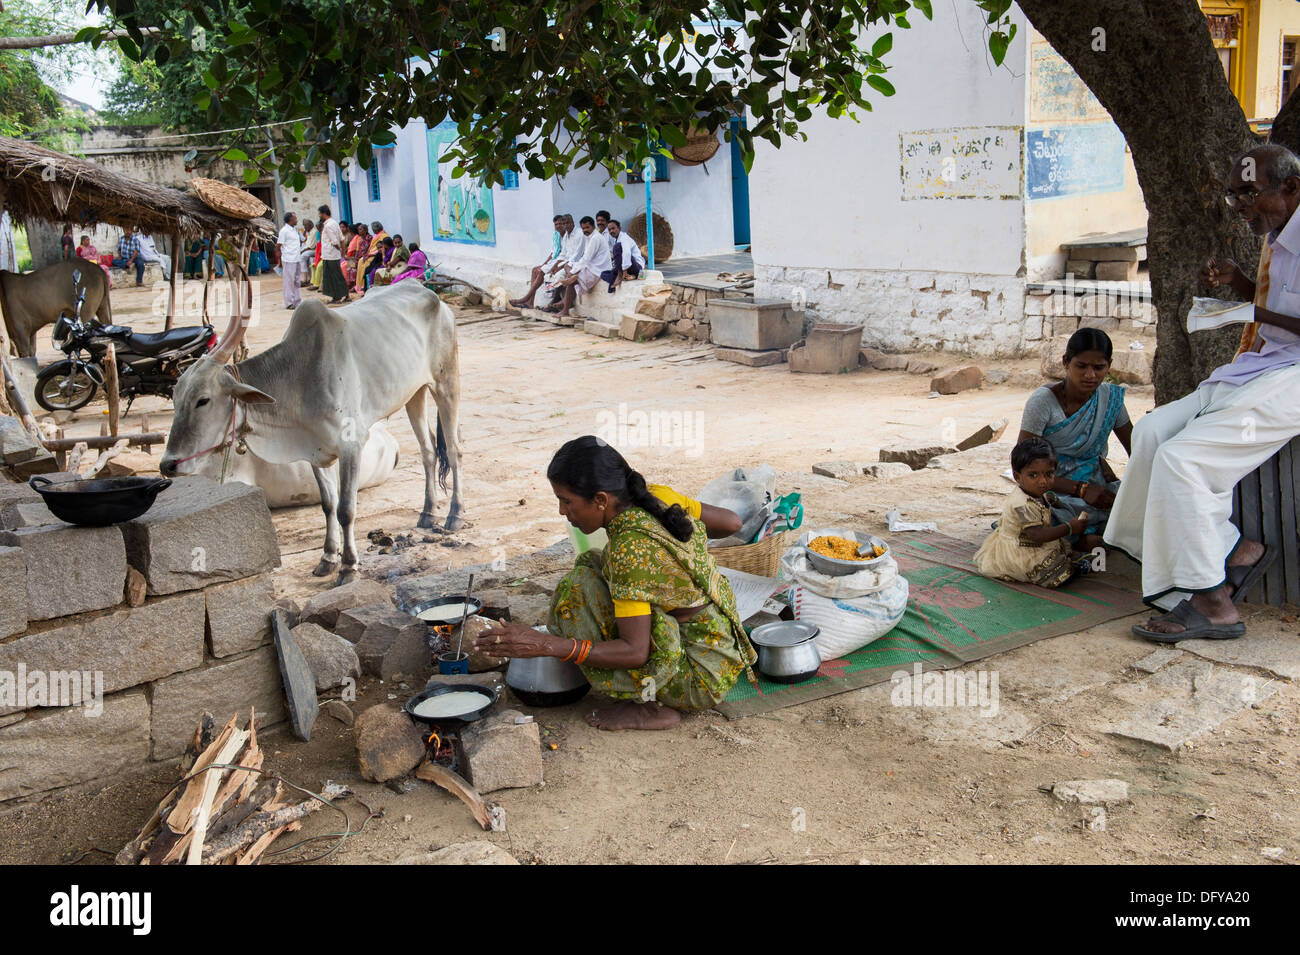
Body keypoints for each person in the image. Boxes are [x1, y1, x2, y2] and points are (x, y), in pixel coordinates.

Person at [1107, 143, 1300, 643]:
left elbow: (1278, 321)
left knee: (1183, 460)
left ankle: (1213, 603)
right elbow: (1275, 312)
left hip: (1293, 376)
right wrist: (1241, 288)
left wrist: (1255, 314)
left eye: (1249, 195)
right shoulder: (1278, 238)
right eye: (1236, 196)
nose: (1240, 208)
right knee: (1151, 433)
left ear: (1291, 188)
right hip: (1262, 365)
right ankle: (1227, 552)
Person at [472, 436, 757, 731]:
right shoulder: (656, 496)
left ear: (600, 500)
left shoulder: (628, 550)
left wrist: (546, 644)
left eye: (566, 501)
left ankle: (648, 706)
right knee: (593, 566)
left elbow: (635, 652)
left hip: (698, 678)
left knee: (577, 593)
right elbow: (733, 523)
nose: (561, 511)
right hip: (721, 645)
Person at [1018, 328, 1131, 540]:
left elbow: (1137, 450)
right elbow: (1022, 465)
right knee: (1037, 521)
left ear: (1109, 366)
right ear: (1065, 362)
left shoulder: (1110, 399)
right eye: (1081, 366)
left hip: (1098, 486)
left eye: (1099, 367)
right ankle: (1082, 537)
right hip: (1051, 488)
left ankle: (1085, 537)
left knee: (1140, 511)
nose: (1090, 375)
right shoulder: (1043, 401)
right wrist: (1080, 489)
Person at [975, 439, 1092, 588]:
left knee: (1062, 548)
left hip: (1036, 544)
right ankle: (1074, 567)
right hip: (1021, 551)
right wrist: (1069, 527)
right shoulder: (1022, 504)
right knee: (1056, 571)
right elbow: (1038, 535)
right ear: (1017, 477)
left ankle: (1074, 561)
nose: (1042, 481)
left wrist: (1053, 501)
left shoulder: (1035, 491)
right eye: (1033, 475)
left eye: (1049, 474)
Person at [552, 215, 611, 318]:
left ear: (593, 227)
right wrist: (572, 269)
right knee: (568, 267)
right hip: (590, 266)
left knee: (571, 281)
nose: (585, 230)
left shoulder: (595, 238)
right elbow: (583, 257)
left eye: (587, 228)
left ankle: (565, 308)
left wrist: (573, 271)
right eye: (583, 228)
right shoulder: (589, 237)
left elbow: (586, 259)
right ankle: (566, 300)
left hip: (597, 269)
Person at [510, 215, 568, 308]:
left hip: (562, 261)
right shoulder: (556, 235)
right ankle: (530, 302)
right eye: (556, 224)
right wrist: (545, 263)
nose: (558, 226)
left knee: (540, 271)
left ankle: (527, 298)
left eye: (560, 223)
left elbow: (564, 254)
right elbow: (553, 252)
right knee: (535, 270)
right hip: (555, 260)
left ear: (564, 224)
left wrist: (553, 265)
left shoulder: (567, 235)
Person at [318, 204, 351, 304]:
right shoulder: (334, 223)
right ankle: (346, 295)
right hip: (333, 254)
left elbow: (335, 241)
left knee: (333, 277)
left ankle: (337, 297)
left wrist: (340, 250)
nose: (319, 215)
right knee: (338, 275)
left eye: (320, 213)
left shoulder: (328, 226)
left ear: (324, 214)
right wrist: (343, 252)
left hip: (330, 255)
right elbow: (342, 239)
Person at [603, 219, 645, 293]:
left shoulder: (624, 238)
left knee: (617, 247)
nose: (611, 231)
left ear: (619, 228)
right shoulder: (617, 239)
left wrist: (623, 271)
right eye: (609, 230)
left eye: (613, 228)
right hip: (630, 268)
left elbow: (627, 253)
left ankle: (621, 276)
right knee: (604, 273)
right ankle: (633, 276)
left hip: (636, 266)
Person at [277, 212, 302, 309]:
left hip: (296, 258)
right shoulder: (284, 231)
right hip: (288, 259)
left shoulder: (294, 230)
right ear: (290, 220)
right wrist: (279, 261)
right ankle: (289, 302)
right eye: (295, 218)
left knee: (296, 281)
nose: (297, 220)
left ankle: (297, 301)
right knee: (289, 281)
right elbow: (278, 246)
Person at [355, 220, 388, 294]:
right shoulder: (376, 236)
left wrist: (369, 254)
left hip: (377, 255)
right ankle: (359, 285)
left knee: (366, 265)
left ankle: (364, 285)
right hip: (371, 254)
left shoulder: (383, 236)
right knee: (360, 261)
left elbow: (380, 248)